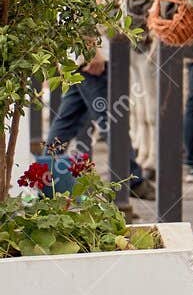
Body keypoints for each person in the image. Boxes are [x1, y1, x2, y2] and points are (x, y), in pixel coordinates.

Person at [45, 43, 151, 197]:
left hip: (80, 60)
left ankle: (44, 178)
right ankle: (134, 180)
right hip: (92, 61)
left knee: (67, 121)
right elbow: (83, 19)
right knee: (111, 122)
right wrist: (92, 51)